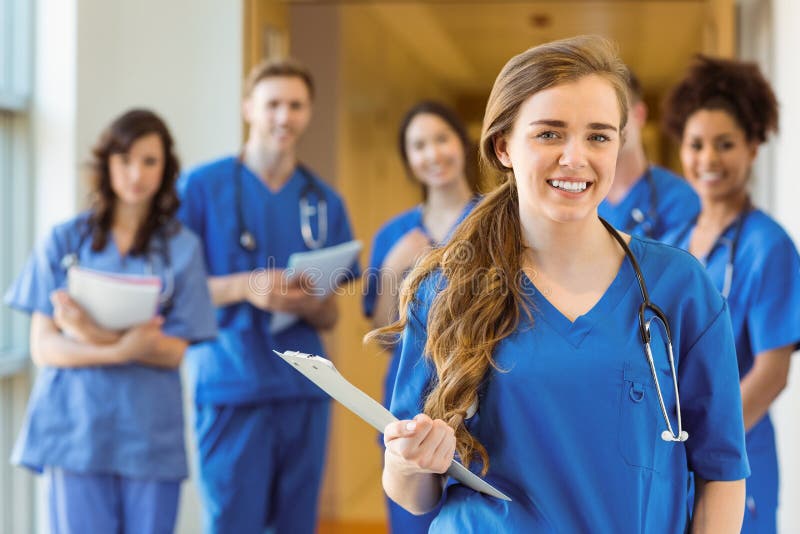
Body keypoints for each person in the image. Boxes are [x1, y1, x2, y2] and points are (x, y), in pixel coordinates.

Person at [370, 35, 749, 532]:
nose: (576, 157)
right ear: (504, 146)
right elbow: (414, 496)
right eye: (549, 134)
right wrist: (408, 461)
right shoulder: (448, 287)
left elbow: (721, 471)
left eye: (598, 136)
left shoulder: (677, 288)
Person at [4, 109, 217, 533]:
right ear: (106, 164)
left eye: (149, 161)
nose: (135, 172)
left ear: (166, 168)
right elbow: (45, 348)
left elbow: (172, 352)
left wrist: (88, 334)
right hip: (74, 429)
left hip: (148, 435)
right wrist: (124, 347)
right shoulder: (64, 240)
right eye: (124, 159)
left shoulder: (183, 249)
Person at [178, 58, 358, 534]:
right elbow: (173, 289)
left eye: (295, 105)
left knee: (298, 524)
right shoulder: (201, 187)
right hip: (231, 383)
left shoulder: (323, 200)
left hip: (304, 387)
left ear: (308, 112)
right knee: (233, 522)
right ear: (248, 109)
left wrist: (307, 302)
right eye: (273, 104)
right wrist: (248, 288)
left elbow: (330, 316)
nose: (284, 116)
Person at [662, 55, 799, 533]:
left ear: (754, 148)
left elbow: (772, 373)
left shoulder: (769, 246)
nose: (709, 160)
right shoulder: (674, 241)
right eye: (696, 145)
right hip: (673, 456)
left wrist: (707, 443)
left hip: (736, 455)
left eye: (726, 145)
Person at [363, 101, 480, 534]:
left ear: (462, 145)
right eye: (418, 146)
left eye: (441, 139)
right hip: (411, 400)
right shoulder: (394, 235)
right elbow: (381, 337)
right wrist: (394, 267)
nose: (432, 154)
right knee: (413, 517)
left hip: (483, 402)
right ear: (408, 160)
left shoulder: (497, 219)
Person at [599, 68, 699, 239]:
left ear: (639, 114)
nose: (604, 124)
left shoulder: (679, 198)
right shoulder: (580, 198)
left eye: (614, 111)